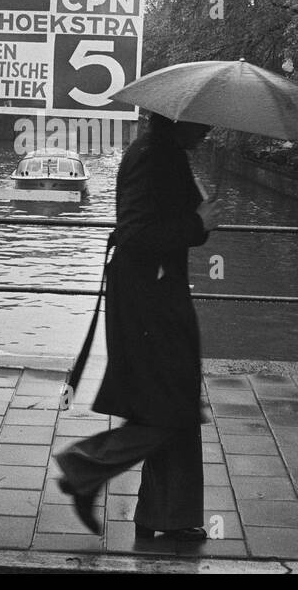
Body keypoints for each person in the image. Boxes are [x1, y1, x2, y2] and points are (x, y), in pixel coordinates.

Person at [53, 113, 221, 540]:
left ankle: (167, 517)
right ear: (177, 118)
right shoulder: (153, 155)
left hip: (158, 292)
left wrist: (196, 220)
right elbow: (135, 234)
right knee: (170, 402)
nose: (209, 129)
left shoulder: (165, 151)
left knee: (171, 400)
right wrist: (197, 223)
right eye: (202, 122)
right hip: (150, 299)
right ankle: (85, 466)